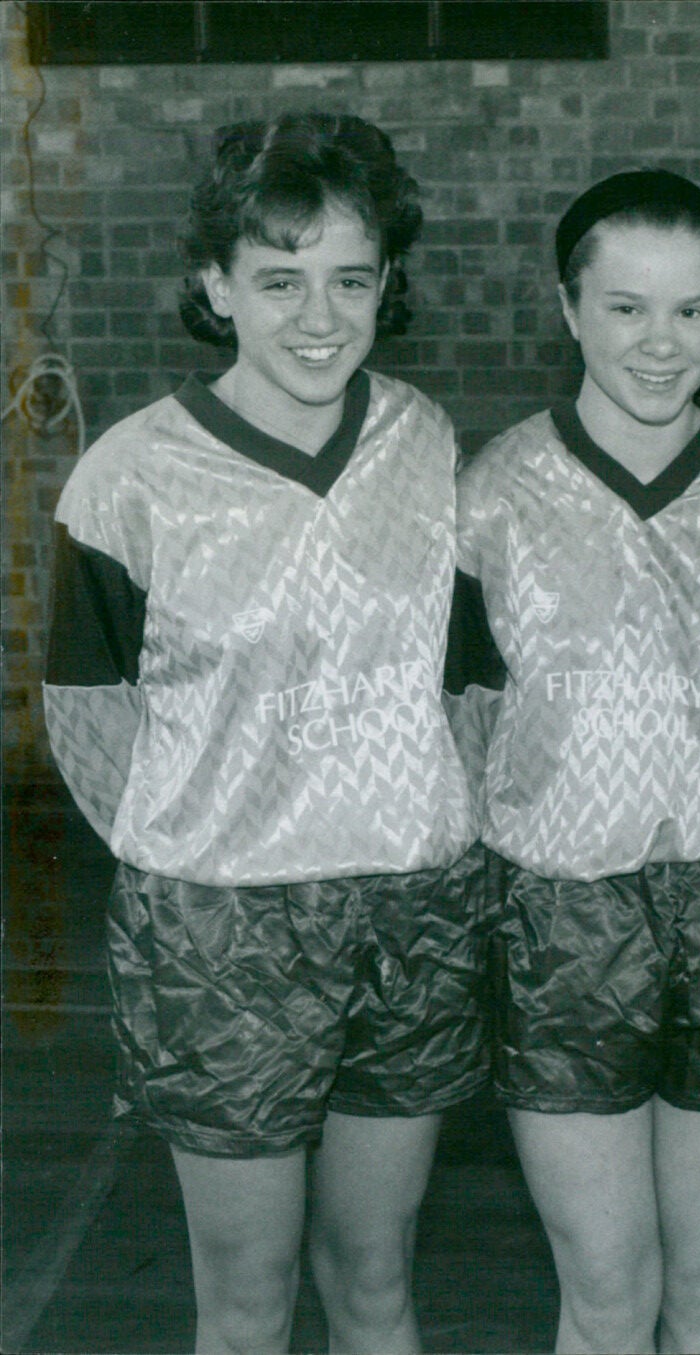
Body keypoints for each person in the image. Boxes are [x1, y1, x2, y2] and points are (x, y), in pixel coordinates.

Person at [41, 112, 480, 1354]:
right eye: (280, 279)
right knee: (246, 1303)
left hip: (409, 911)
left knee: (376, 1278)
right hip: (223, 930)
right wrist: (209, 849)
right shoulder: (128, 475)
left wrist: (417, 822)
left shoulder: (422, 440)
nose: (318, 315)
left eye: (350, 278)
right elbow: (87, 720)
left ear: (387, 284)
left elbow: (458, 683)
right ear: (215, 283)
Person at [446, 170, 700, 1355]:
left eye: (691, 309)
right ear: (568, 308)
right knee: (607, 1293)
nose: (661, 342)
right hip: (559, 909)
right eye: (625, 307)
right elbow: (468, 719)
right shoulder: (493, 492)